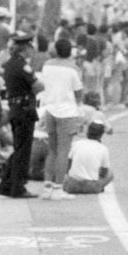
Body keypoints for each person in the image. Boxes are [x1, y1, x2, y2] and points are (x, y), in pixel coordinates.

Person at [0, 30, 44, 198]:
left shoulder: (9, 64)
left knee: (18, 148)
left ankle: (6, 184)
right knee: (23, 151)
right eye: (30, 47)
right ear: (26, 48)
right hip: (25, 109)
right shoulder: (23, 66)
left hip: (15, 108)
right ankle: (18, 186)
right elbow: (38, 86)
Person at [40, 38, 82, 200]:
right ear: (70, 51)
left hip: (50, 109)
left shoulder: (47, 65)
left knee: (52, 150)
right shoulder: (73, 68)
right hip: (67, 111)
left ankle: (47, 187)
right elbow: (78, 92)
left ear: (56, 50)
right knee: (63, 152)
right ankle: (58, 188)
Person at [62, 120, 113, 194]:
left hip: (72, 185)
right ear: (101, 135)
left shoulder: (77, 144)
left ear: (88, 132)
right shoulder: (103, 149)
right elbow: (105, 172)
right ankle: (98, 186)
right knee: (110, 174)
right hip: (91, 187)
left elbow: (68, 165)